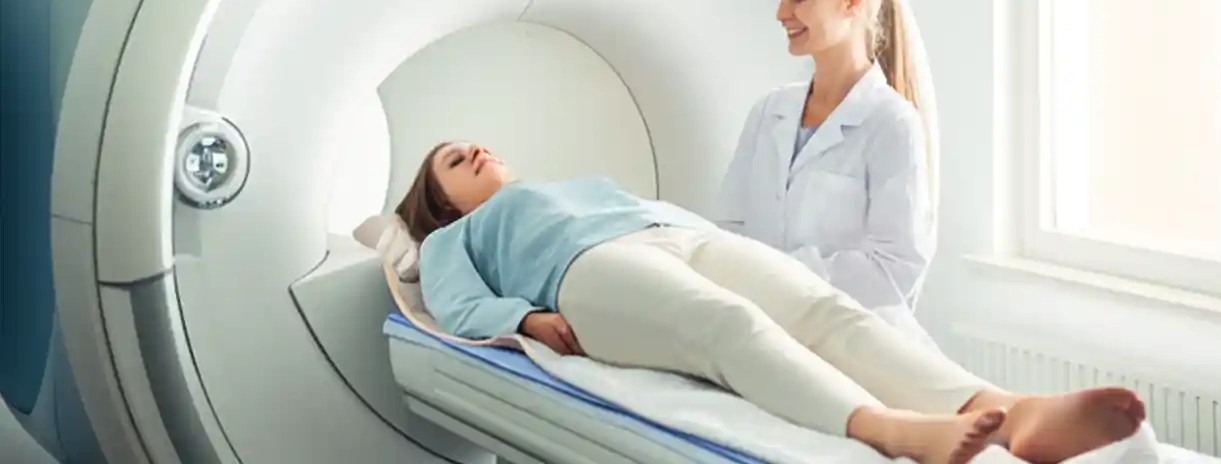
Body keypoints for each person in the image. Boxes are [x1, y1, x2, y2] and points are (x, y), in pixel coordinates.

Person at [398, 140, 1147, 464]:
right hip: (586, 274)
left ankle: (1011, 411)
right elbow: (456, 305)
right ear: (443, 202)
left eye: (477, 144)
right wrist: (524, 319)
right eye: (455, 161)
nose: (475, 151)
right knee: (727, 326)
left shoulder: (572, 185)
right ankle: (892, 430)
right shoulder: (453, 239)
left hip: (669, 233)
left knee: (825, 310)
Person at [718, 0, 935, 312]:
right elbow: (728, 231)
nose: (782, 12)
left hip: (845, 333)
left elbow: (896, 267)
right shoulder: (769, 112)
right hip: (758, 322)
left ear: (851, 1)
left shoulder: (892, 124)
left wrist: (777, 281)